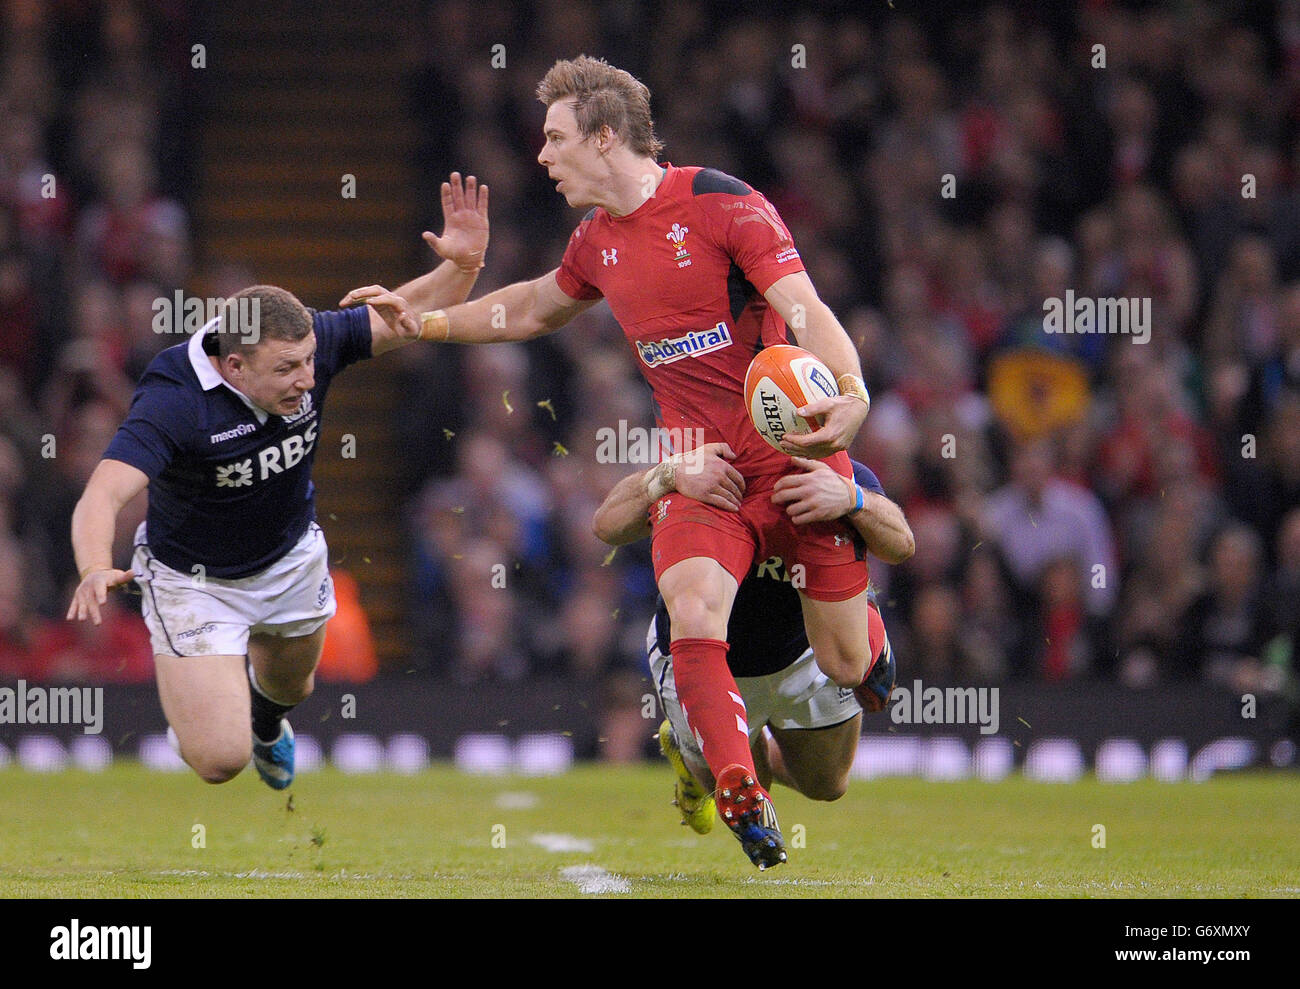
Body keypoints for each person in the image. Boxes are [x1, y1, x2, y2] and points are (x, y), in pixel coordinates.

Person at [343, 57, 875, 868]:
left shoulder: (723, 203)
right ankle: (739, 790)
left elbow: (806, 310)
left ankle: (794, 706)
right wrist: (425, 322)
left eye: (555, 139)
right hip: (702, 469)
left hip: (795, 454)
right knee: (694, 610)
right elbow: (529, 306)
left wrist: (854, 392)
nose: (543, 157)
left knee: (843, 690)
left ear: (603, 135)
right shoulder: (595, 241)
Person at [65, 174, 489, 790]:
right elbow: (102, 493)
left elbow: (414, 309)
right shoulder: (175, 401)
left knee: (293, 686)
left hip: (289, 558)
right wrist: (93, 565)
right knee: (219, 761)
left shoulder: (310, 339)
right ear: (233, 366)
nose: (306, 379)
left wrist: (466, 260)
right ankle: (202, 710)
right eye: (287, 369)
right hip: (196, 580)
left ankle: (267, 722)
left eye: (309, 362)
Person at [592, 443, 914, 836]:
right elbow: (607, 524)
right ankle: (692, 757)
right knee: (744, 785)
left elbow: (901, 544)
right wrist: (669, 474)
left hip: (803, 653)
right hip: (708, 661)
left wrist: (852, 497)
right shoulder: (707, 472)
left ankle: (862, 623)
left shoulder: (828, 472)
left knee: (827, 784)